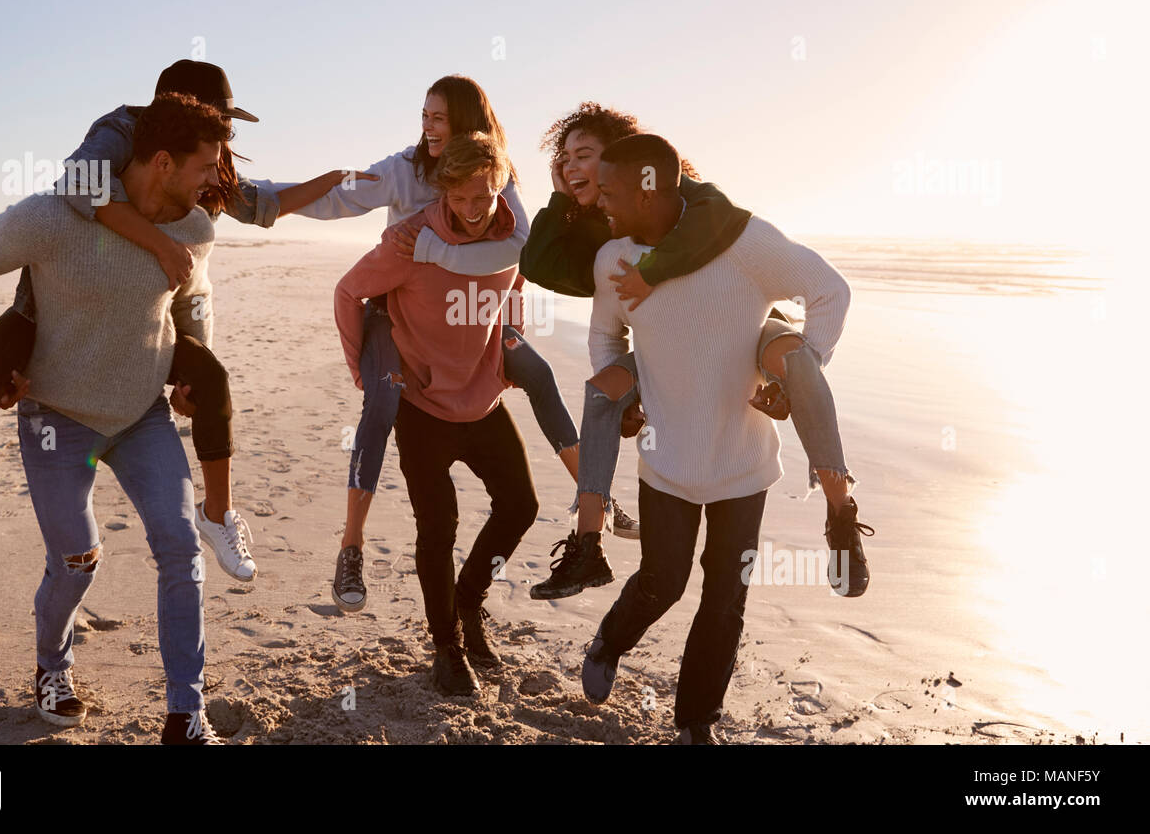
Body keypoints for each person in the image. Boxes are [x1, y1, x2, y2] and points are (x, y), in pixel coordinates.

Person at [0, 61, 355, 598]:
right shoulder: (120, 131)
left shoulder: (201, 167)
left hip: (146, 330)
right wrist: (160, 243)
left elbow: (260, 206)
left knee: (210, 373)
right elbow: (80, 187)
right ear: (176, 112)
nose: (227, 136)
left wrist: (328, 184)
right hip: (42, 313)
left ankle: (218, 514)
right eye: (220, 119)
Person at [251, 75, 636, 616]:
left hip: (478, 315)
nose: (426, 126)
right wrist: (264, 199)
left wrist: (464, 277)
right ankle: (351, 546)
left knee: (540, 375)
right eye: (423, 115)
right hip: (398, 309)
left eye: (437, 117)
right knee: (382, 399)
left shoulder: (496, 174)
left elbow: (518, 251)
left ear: (464, 121)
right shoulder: (405, 169)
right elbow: (340, 198)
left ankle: (595, 498)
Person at [0, 92, 231, 743]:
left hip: (143, 414)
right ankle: (52, 666)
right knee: (77, 561)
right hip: (58, 418)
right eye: (206, 164)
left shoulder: (195, 229)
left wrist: (191, 366)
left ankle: (187, 712)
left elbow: (194, 300)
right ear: (160, 161)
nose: (217, 178)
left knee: (181, 547)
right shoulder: (52, 220)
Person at [577, 134, 868, 744]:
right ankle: (611, 641)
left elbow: (830, 291)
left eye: (610, 191)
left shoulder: (746, 242)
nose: (599, 201)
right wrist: (627, 400)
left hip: (742, 462)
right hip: (665, 459)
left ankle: (694, 725)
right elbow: (607, 339)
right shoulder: (614, 259)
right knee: (663, 580)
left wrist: (800, 376)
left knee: (723, 598)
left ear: (651, 186)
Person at [522, 103, 870, 600]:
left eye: (586, 156)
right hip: (659, 348)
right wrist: (561, 199)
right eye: (564, 160)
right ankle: (588, 545)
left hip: (739, 329)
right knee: (602, 393)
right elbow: (539, 265)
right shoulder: (601, 226)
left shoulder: (690, 201)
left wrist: (785, 381)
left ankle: (841, 510)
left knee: (795, 358)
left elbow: (713, 226)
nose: (574, 168)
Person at [333, 132, 540, 695]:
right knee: (438, 525)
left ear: (501, 189)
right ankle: (446, 645)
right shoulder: (409, 240)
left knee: (521, 505)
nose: (475, 211)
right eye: (463, 198)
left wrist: (509, 344)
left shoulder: (511, 236)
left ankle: (468, 604)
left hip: (483, 397)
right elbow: (349, 292)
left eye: (486, 197)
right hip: (423, 406)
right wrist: (364, 374)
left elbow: (515, 287)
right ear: (445, 190)